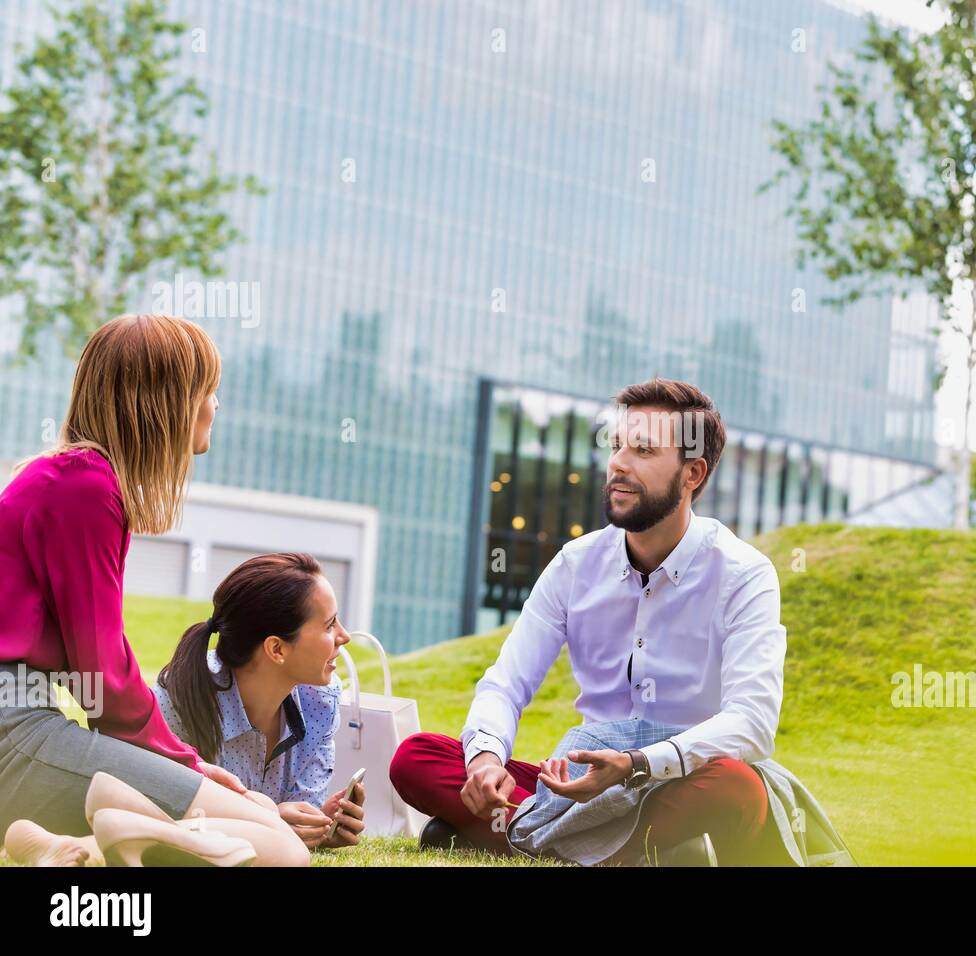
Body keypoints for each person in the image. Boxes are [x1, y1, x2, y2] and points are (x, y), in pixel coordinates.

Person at [390, 378, 786, 865]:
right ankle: (615, 851)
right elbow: (505, 685)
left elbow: (753, 721)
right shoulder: (575, 564)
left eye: (642, 449)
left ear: (692, 474)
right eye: (617, 444)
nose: (618, 461)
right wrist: (487, 761)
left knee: (736, 789)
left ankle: (507, 835)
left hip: (673, 781)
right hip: (580, 786)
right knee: (418, 756)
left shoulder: (744, 575)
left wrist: (635, 763)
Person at [0, 314, 309, 867]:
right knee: (283, 852)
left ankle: (71, 847)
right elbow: (101, 676)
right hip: (15, 737)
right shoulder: (84, 488)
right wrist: (185, 765)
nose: (216, 406)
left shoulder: (67, 478)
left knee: (259, 815)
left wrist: (177, 764)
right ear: (166, 401)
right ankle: (115, 826)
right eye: (208, 391)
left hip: (21, 727)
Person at [154, 552, 366, 849]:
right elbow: (158, 815)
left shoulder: (321, 702)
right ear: (277, 649)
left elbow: (301, 811)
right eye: (329, 625)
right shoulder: (178, 702)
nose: (344, 636)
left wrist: (320, 822)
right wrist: (267, 819)